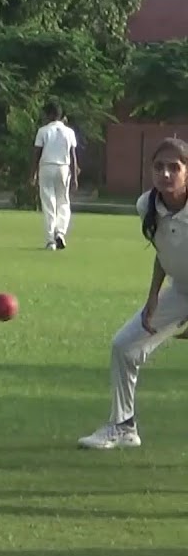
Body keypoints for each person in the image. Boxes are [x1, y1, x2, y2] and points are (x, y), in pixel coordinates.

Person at [78, 138, 188, 449]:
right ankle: (123, 426)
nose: (166, 174)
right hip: (181, 290)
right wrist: (153, 296)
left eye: (174, 168)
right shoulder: (147, 205)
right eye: (159, 167)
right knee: (124, 346)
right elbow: (165, 251)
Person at [31, 101, 79, 250]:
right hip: (64, 168)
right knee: (63, 202)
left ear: (49, 115)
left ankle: (50, 239)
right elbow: (73, 155)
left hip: (46, 167)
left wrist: (33, 173)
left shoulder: (43, 131)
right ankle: (60, 233)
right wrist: (75, 177)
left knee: (49, 204)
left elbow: (36, 154)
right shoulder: (69, 132)